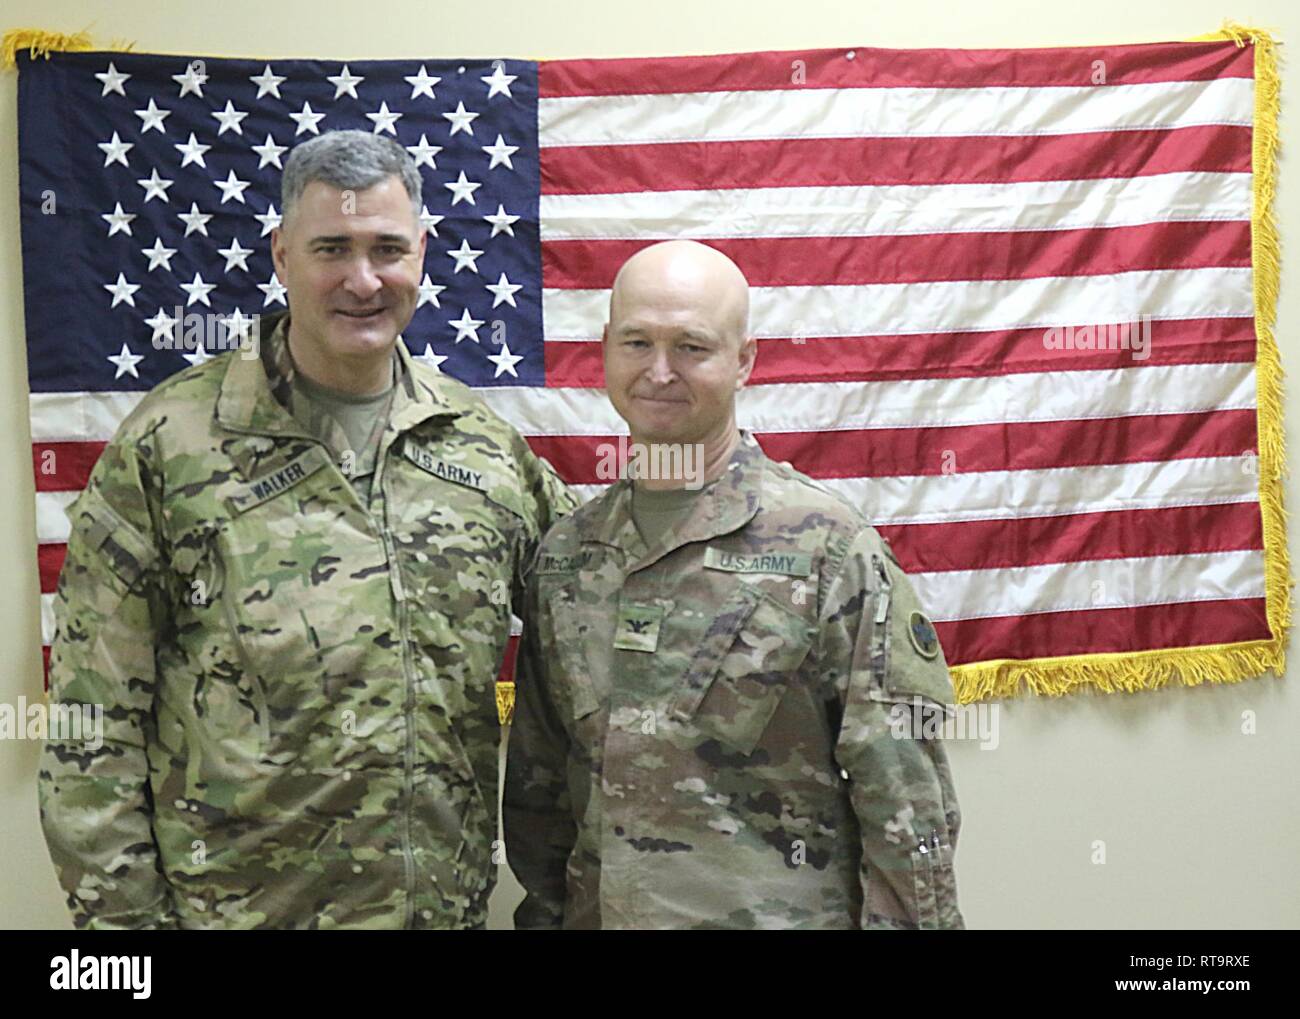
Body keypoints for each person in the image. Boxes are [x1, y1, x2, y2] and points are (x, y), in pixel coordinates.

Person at [38, 130, 575, 929]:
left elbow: (592, 607)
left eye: (388, 248)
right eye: (332, 248)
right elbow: (92, 723)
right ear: (282, 255)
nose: (363, 279)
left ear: (422, 254)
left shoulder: (484, 448)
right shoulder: (169, 447)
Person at [504, 240, 965, 929]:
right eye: (637, 342)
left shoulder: (827, 549)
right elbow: (542, 808)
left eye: (691, 346)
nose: (659, 371)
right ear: (604, 347)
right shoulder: (569, 558)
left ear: (744, 359)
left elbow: (906, 805)